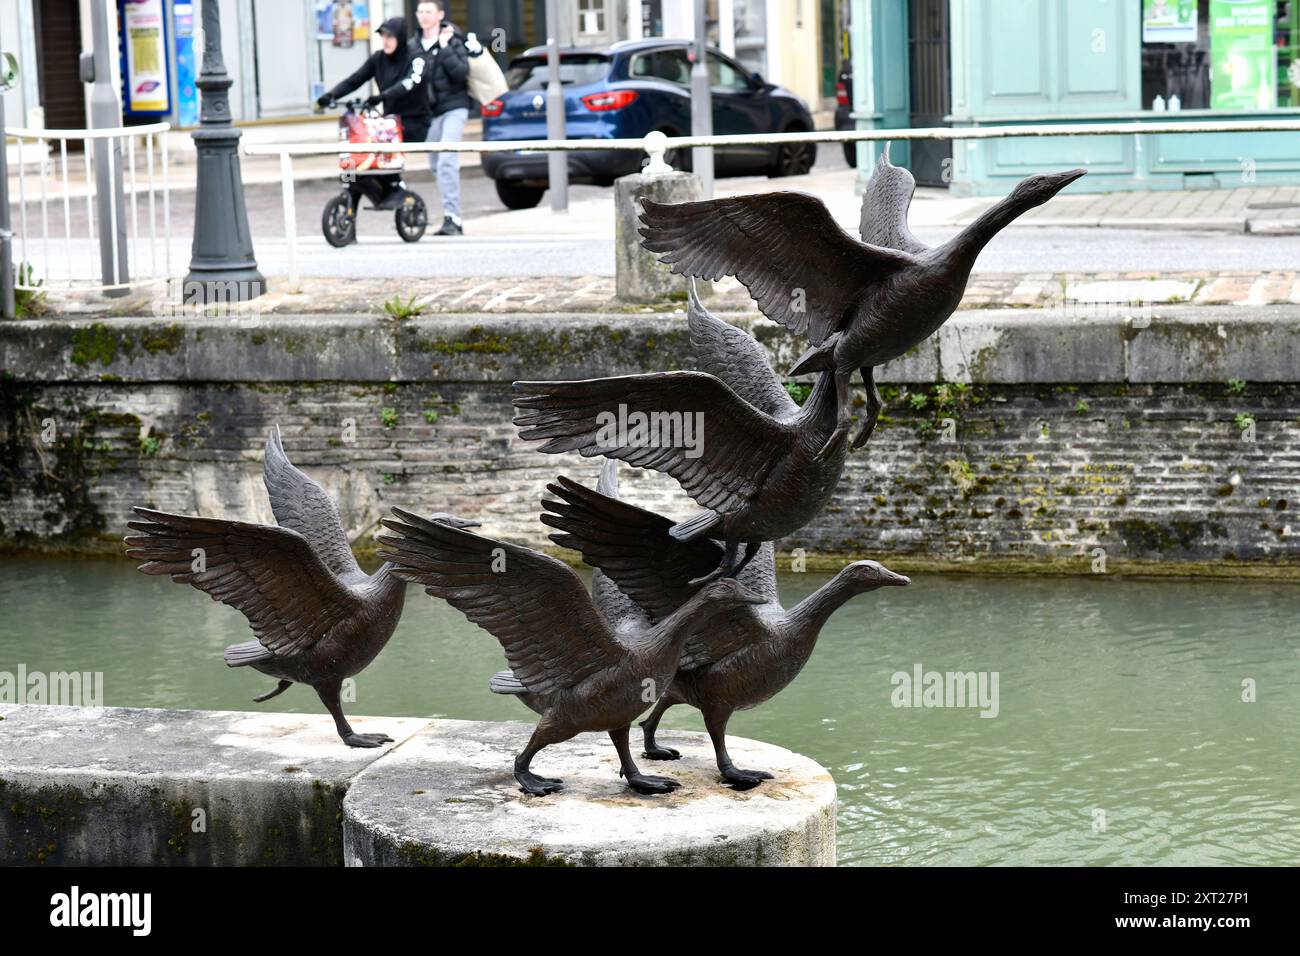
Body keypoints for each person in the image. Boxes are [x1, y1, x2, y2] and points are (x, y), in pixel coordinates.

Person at [316, 17, 430, 209]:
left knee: (378, 149)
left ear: (400, 38)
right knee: (358, 157)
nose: (385, 41)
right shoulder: (378, 59)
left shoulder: (416, 57)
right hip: (388, 123)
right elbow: (355, 80)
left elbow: (409, 83)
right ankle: (351, 207)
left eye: (390, 37)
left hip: (414, 122)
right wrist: (330, 96)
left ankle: (396, 187)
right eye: (383, 36)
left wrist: (382, 96)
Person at [412, 0, 479, 236]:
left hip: (455, 107)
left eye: (428, 11)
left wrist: (445, 47)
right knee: (434, 162)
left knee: (446, 159)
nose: (424, 16)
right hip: (432, 112)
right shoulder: (413, 45)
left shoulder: (453, 39)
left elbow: (462, 72)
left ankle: (454, 218)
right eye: (420, 11)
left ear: (440, 14)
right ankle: (450, 209)